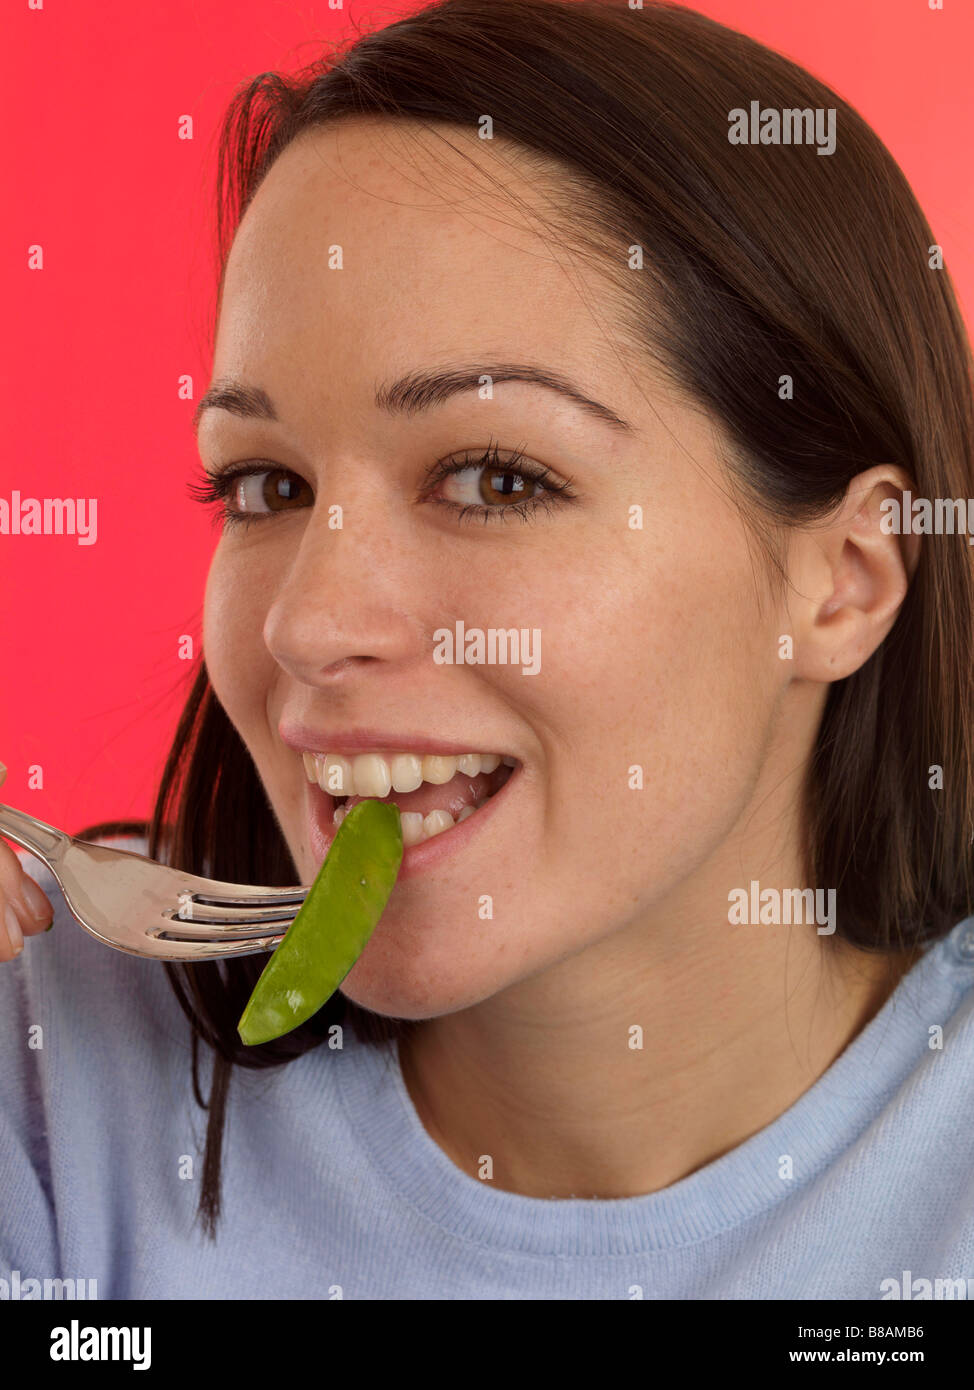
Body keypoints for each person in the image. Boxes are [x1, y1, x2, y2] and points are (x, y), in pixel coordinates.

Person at [3, 0, 974, 1300]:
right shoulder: (46, 1044)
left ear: (843, 581)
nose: (309, 622)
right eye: (265, 485)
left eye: (496, 477)